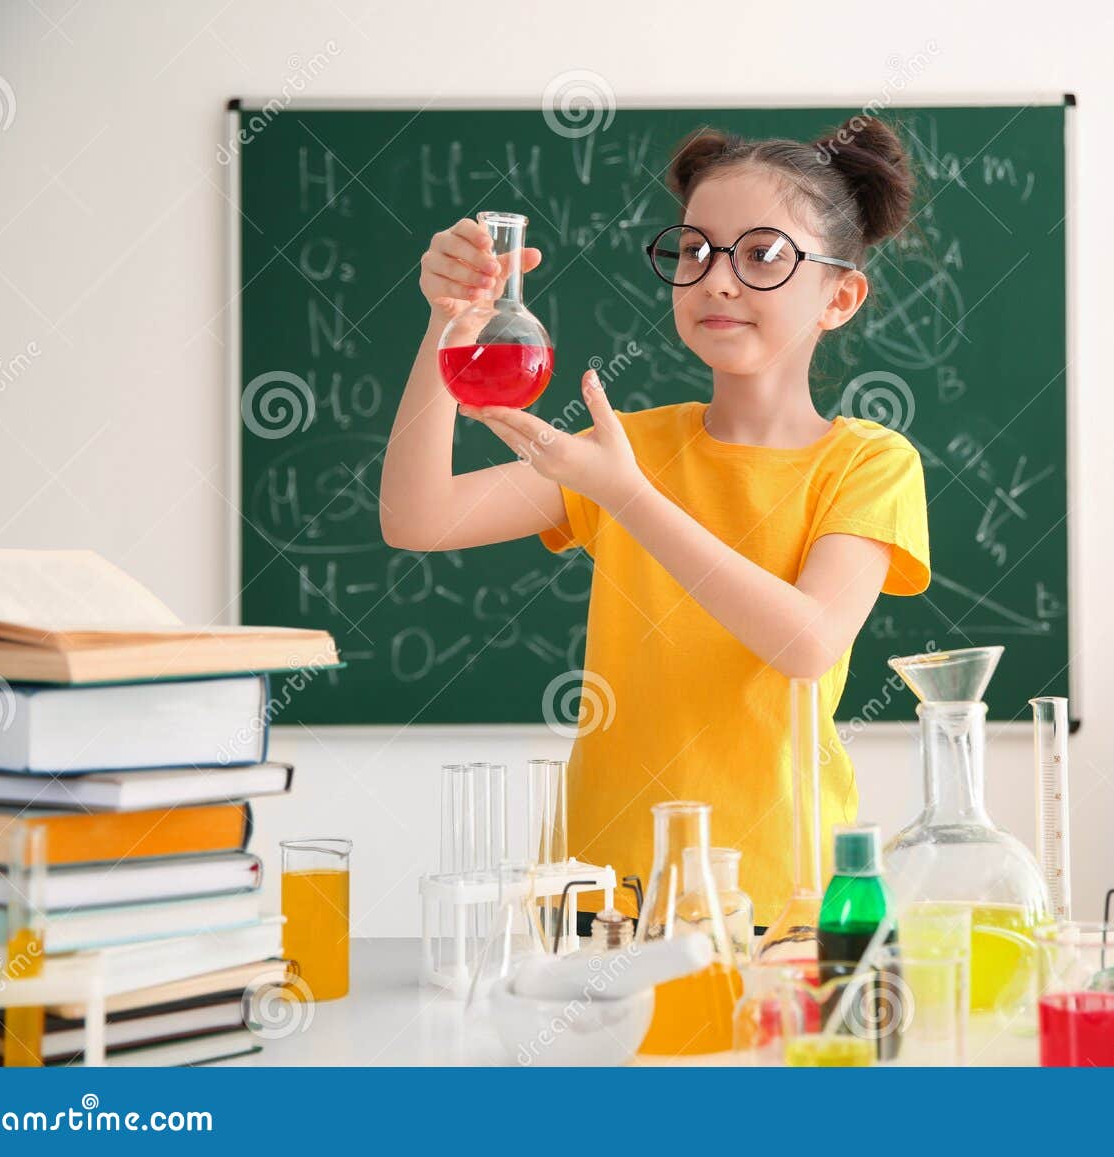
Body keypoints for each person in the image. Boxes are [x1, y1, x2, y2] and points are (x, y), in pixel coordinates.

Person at [381, 115, 931, 932]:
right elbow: (416, 517)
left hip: (782, 900)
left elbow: (807, 645)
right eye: (696, 250)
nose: (717, 279)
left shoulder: (868, 462)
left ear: (839, 296)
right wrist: (445, 325)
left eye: (762, 255)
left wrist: (629, 497)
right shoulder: (626, 448)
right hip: (600, 892)